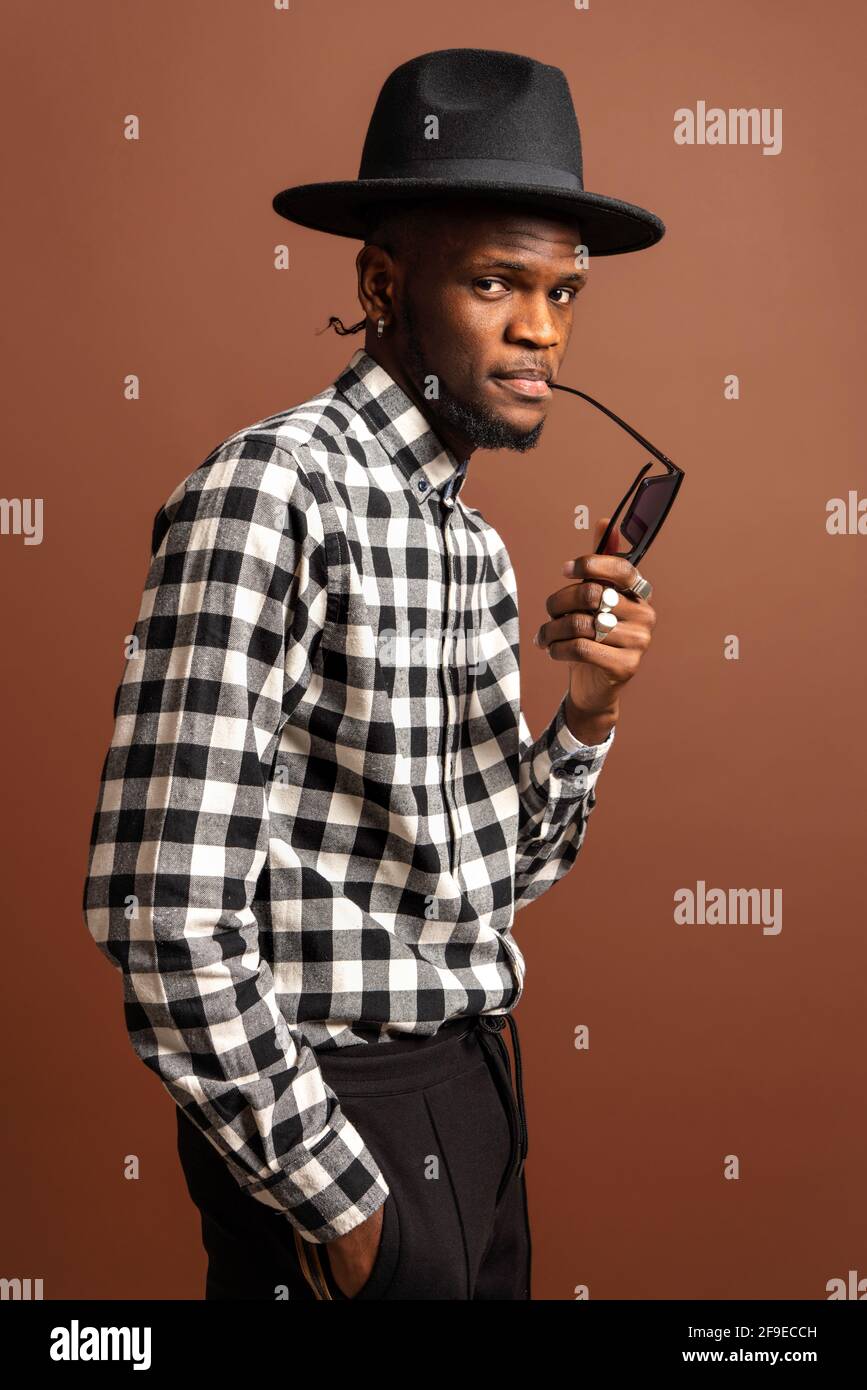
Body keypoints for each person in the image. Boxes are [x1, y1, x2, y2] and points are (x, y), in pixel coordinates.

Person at [82, 47, 663, 1301]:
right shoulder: (270, 492)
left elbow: (492, 879)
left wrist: (589, 712)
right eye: (496, 281)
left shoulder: (473, 547)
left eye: (564, 291)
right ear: (383, 284)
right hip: (344, 1115)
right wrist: (341, 1202)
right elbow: (158, 908)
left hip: (479, 1091)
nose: (541, 329)